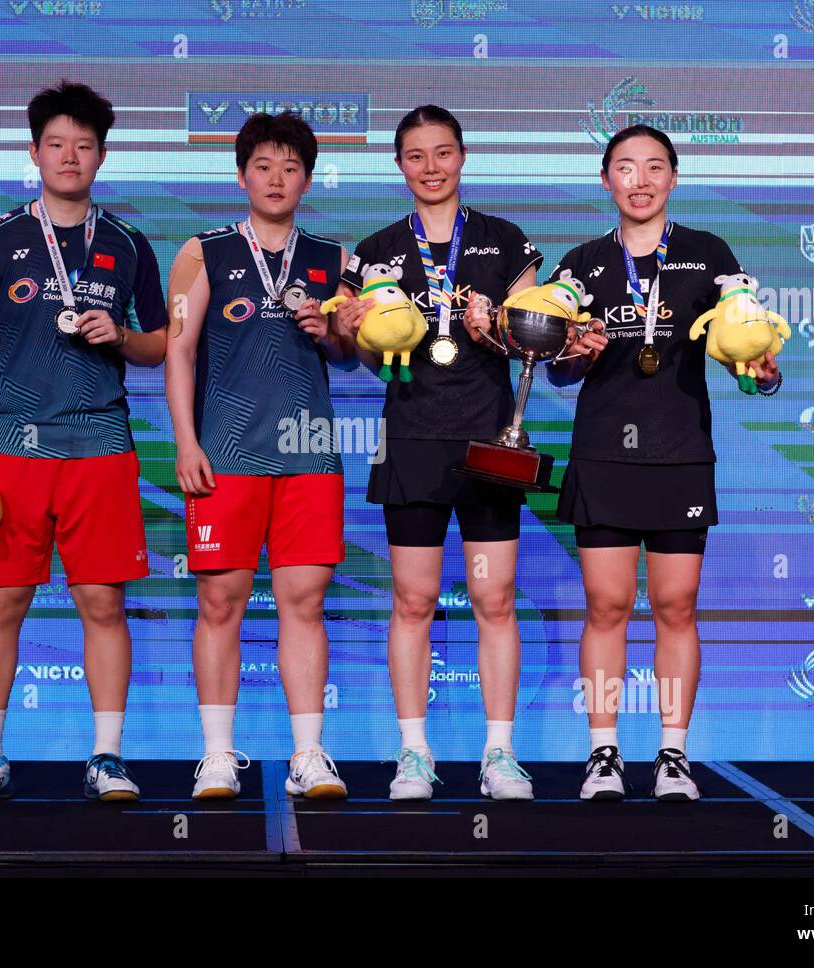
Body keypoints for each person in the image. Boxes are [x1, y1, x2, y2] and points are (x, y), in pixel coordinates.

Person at [0, 81, 168, 802]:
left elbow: (159, 344)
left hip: (100, 443)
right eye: (57, 144)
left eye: (85, 145)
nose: (71, 156)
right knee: (0, 604)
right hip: (9, 448)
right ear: (34, 152)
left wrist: (122, 336)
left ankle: (107, 757)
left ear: (102, 156)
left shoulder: (128, 243)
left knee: (103, 603)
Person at [547, 124, 782, 802]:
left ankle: (673, 755)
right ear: (606, 181)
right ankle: (603, 755)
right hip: (603, 454)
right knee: (607, 606)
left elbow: (745, 362)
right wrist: (577, 353)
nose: (640, 180)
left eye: (654, 167)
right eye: (625, 168)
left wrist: (760, 374)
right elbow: (558, 373)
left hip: (680, 453)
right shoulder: (583, 264)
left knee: (676, 607)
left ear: (673, 178)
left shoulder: (709, 254)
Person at [334, 105, 543, 800]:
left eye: (443, 152)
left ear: (462, 157)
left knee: (495, 596)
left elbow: (530, 342)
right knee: (413, 598)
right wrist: (351, 327)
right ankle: (414, 753)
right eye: (417, 156)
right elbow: (358, 356)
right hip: (414, 441)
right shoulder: (376, 249)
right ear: (399, 165)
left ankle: (499, 754)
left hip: (488, 443)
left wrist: (498, 328)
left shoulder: (503, 240)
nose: (431, 167)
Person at [164, 112, 358, 800]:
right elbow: (178, 352)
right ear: (242, 174)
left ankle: (310, 754)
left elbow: (353, 353)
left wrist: (332, 328)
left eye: (291, 168)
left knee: (303, 603)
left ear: (308, 178)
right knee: (221, 601)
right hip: (229, 453)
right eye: (264, 167)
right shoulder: (202, 251)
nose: (277, 180)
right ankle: (217, 755)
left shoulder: (335, 259)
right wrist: (186, 443)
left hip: (309, 457)